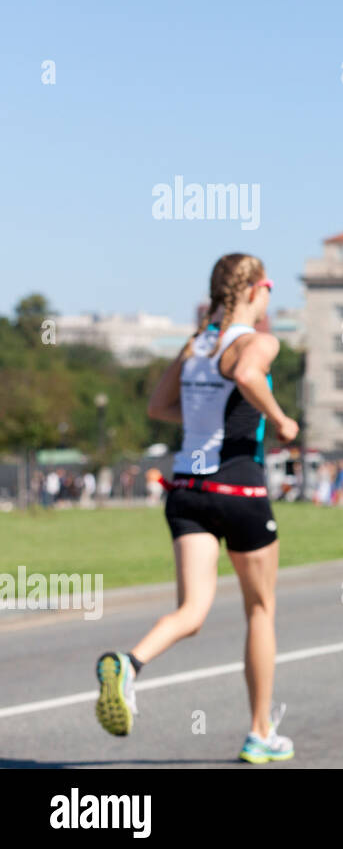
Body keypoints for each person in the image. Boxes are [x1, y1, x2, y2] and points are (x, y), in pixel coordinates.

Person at [95, 253, 298, 763]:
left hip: (186, 490)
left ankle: (129, 662)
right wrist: (282, 421)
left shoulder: (197, 344)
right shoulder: (258, 341)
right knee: (261, 609)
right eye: (270, 285)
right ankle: (259, 733)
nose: (272, 294)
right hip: (239, 489)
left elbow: (157, 407)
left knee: (191, 611)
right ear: (253, 289)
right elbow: (250, 375)